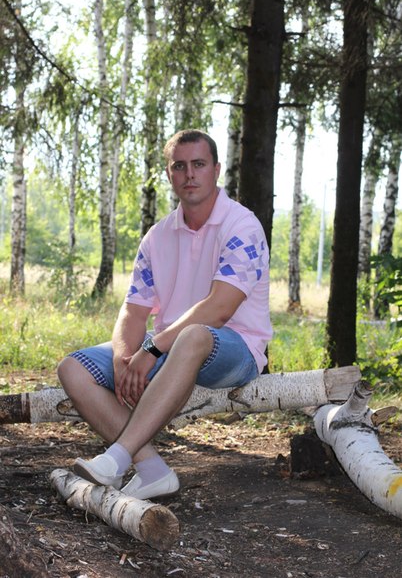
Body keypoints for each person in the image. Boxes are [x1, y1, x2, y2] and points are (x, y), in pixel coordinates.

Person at [58, 129, 272, 500]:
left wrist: (152, 349)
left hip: (235, 350)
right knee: (73, 368)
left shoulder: (242, 226)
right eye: (179, 166)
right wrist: (124, 357)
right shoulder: (158, 237)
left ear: (216, 169)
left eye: (199, 164)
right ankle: (152, 468)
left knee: (195, 335)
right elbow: (133, 309)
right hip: (167, 348)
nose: (189, 174)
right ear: (169, 174)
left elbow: (219, 309)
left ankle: (117, 458)